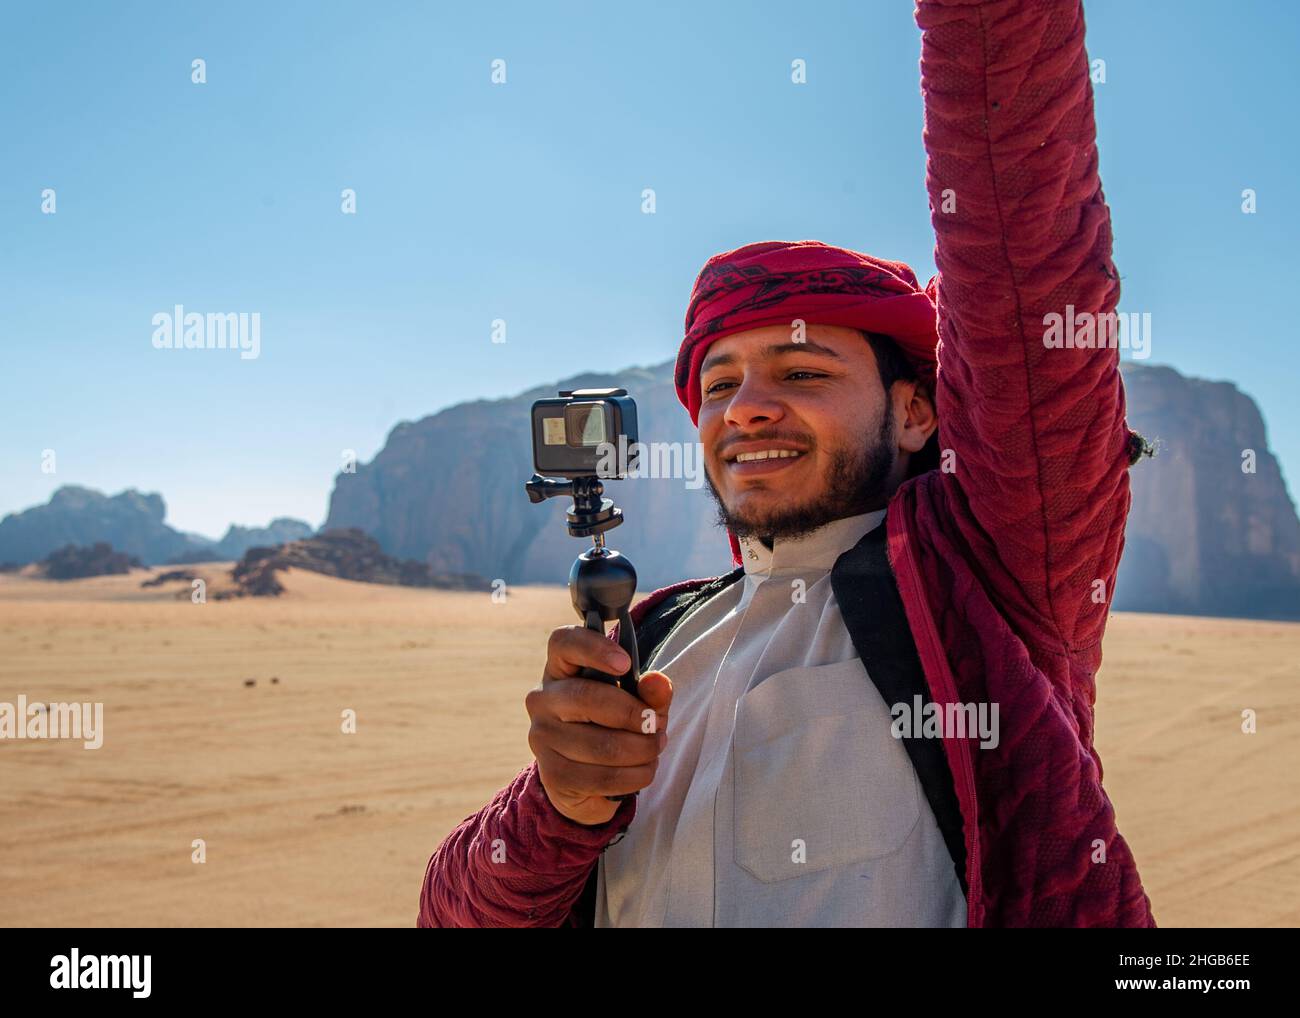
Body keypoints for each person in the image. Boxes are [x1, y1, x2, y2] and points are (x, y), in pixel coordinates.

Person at [418, 0, 1157, 927]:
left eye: (802, 370)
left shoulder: (984, 576)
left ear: (918, 409)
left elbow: (1024, 240)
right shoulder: (655, 638)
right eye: (718, 384)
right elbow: (452, 912)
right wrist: (557, 810)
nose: (746, 407)